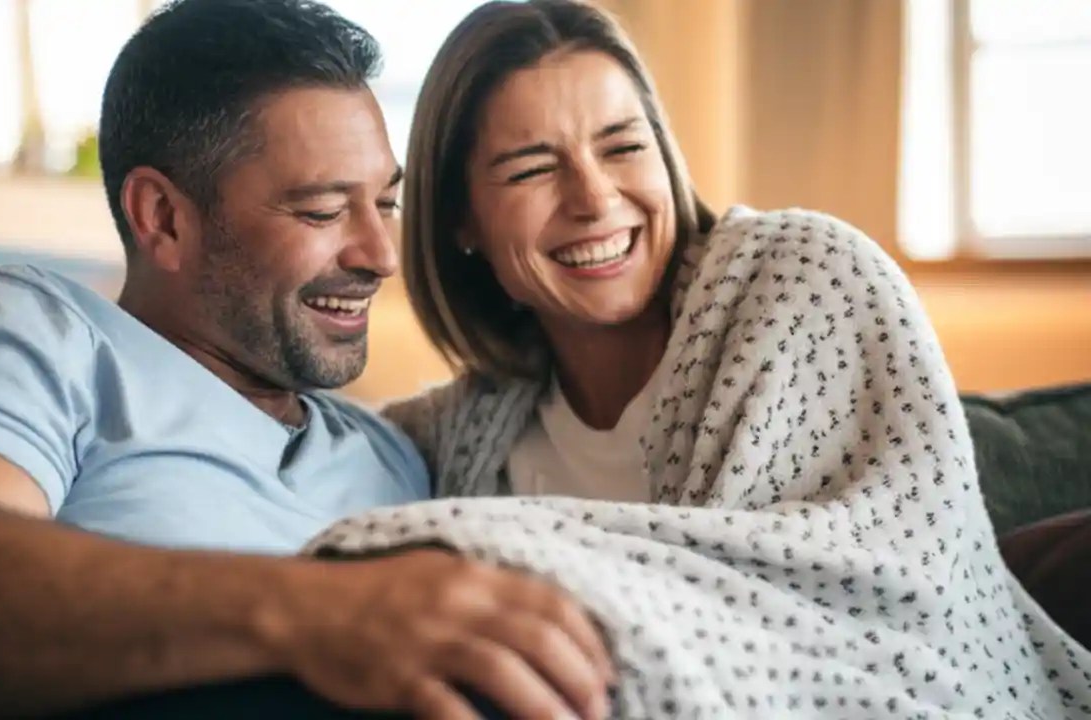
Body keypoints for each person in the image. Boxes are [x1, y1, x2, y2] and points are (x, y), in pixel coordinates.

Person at [0, 2, 613, 719]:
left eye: (386, 202)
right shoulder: (30, 328)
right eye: (323, 210)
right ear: (163, 217)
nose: (379, 254)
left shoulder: (393, 455)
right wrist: (320, 613)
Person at [355, 0, 1091, 716]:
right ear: (460, 220)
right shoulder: (463, 437)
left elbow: (826, 594)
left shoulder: (801, 274)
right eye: (531, 168)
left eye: (622, 145)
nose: (594, 197)